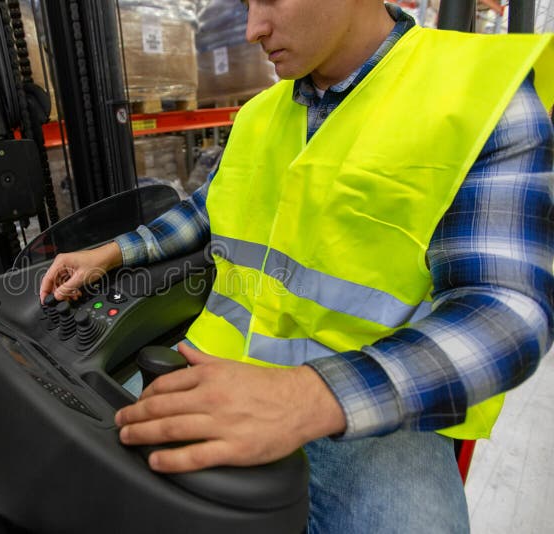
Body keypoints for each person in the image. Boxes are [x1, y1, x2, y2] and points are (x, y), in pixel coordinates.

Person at [41, 1, 554, 531]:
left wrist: (311, 396)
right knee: (75, 476)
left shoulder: (480, 97)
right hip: (211, 366)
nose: (251, 29)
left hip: (372, 407)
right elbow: (210, 207)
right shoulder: (259, 114)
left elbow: (505, 309)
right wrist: (115, 251)